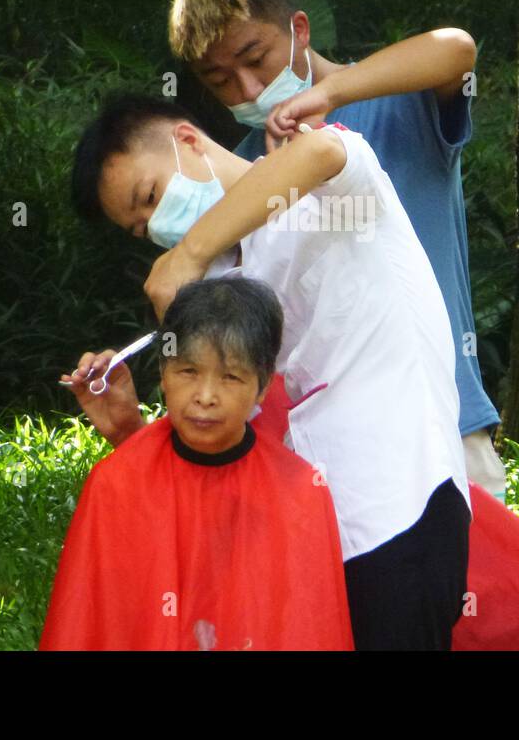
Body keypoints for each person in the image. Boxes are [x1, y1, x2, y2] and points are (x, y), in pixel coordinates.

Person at [70, 95, 472, 650]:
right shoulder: (217, 288)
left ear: (188, 139)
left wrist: (190, 250)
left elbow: (328, 150)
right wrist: (129, 432)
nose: (157, 227)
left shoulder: (324, 193)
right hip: (296, 547)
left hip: (396, 510)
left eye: (152, 197)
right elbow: (222, 453)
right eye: (141, 230)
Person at [167, 0, 509, 501]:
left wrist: (331, 93)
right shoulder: (244, 173)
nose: (249, 89)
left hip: (447, 421)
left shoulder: (397, 107)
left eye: (256, 58)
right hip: (325, 445)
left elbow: (457, 49)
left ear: (299, 30)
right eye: (221, 80)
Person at [39, 277, 353, 651]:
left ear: (264, 385)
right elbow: (93, 624)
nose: (205, 397)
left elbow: (307, 629)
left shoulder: (300, 492)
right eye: (188, 372)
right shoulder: (116, 482)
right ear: (163, 372)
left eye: (231, 377)